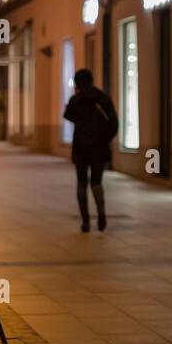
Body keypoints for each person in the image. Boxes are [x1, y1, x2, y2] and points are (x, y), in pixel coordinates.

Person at [62, 69, 119, 232]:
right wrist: (105, 138)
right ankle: (101, 215)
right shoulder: (103, 98)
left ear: (77, 83)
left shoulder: (75, 100)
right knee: (96, 182)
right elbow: (114, 124)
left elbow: (68, 116)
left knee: (81, 183)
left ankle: (85, 221)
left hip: (80, 147)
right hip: (99, 147)